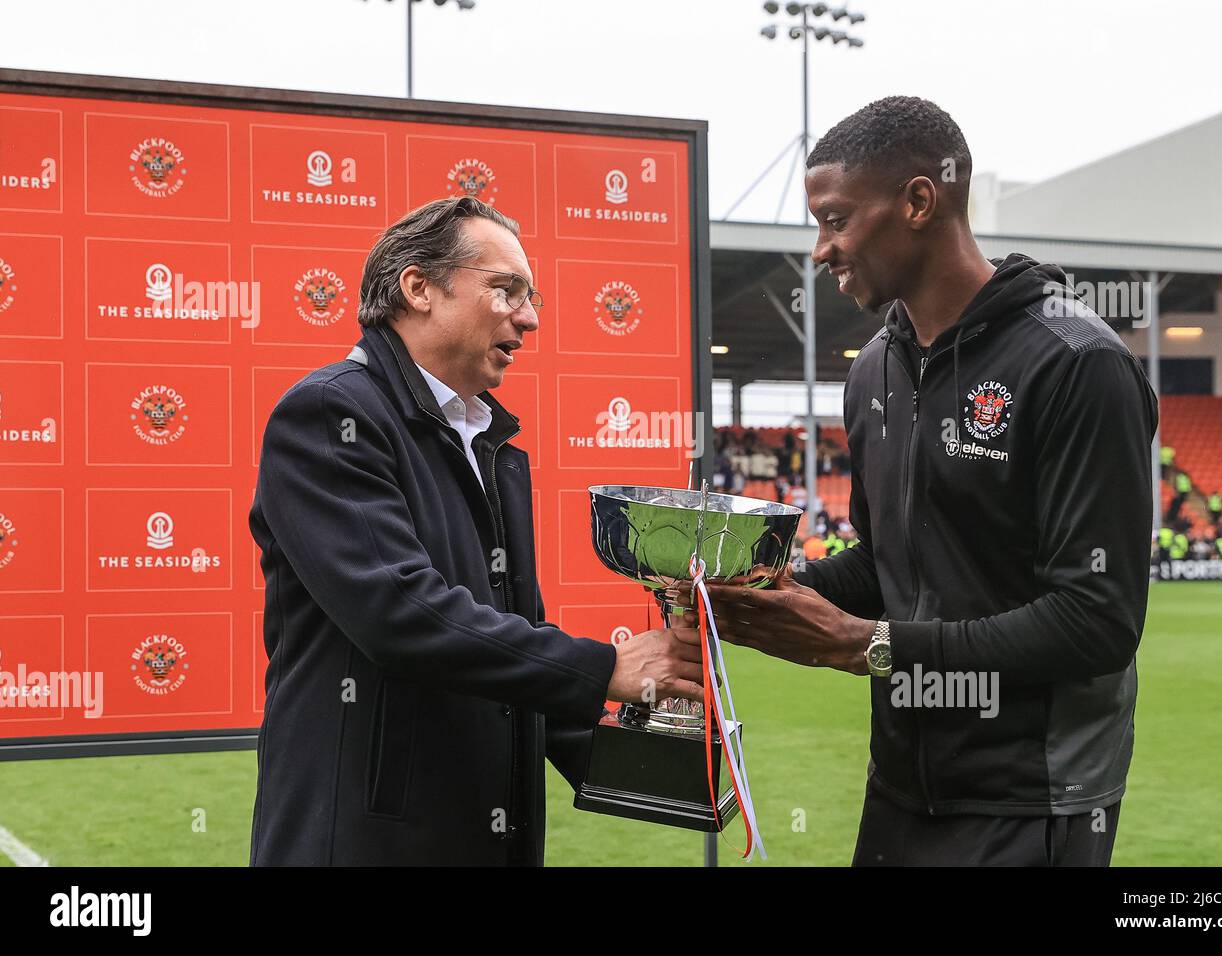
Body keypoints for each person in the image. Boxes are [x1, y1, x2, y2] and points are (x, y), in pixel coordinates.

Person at [691, 97, 1156, 866]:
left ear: (917, 200)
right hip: (902, 788)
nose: (820, 250)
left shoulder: (1077, 363)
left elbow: (1097, 620)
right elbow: (886, 567)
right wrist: (763, 591)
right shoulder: (876, 367)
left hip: (1033, 800)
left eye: (835, 219)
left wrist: (864, 647)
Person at [248, 196, 703, 865]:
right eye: (505, 290)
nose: (530, 317)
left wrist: (652, 754)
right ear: (419, 288)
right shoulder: (330, 412)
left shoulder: (488, 439)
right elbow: (398, 613)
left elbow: (510, 643)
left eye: (531, 295)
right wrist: (605, 666)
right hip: (366, 844)